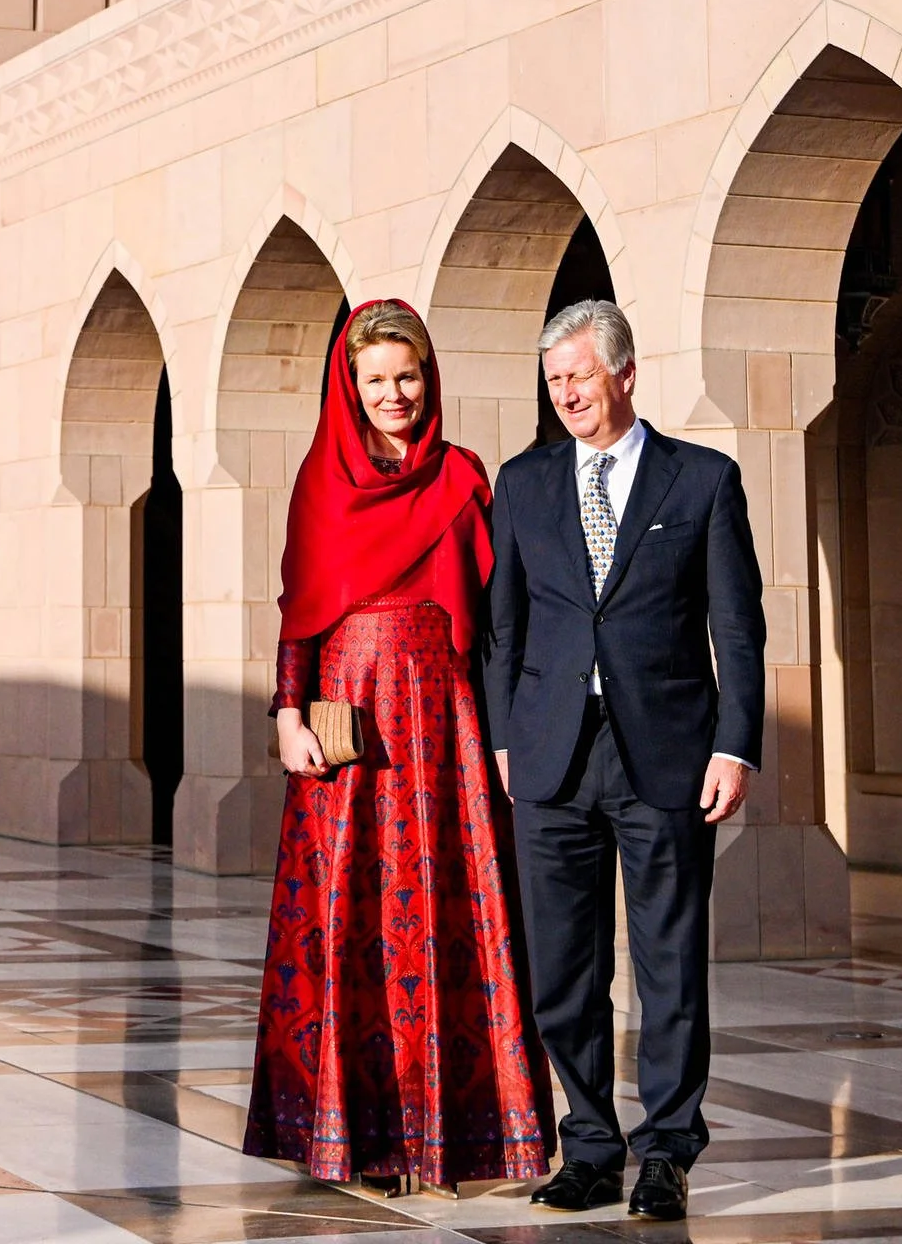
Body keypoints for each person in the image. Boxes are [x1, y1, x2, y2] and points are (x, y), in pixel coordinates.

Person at [245, 299, 553, 1195]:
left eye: (407, 377)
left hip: (445, 720)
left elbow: (495, 619)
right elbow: (300, 604)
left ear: (430, 379)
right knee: (350, 913)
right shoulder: (323, 479)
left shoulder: (461, 475)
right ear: (350, 387)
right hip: (350, 713)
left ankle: (461, 1132)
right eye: (376, 380)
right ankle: (355, 1131)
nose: (395, 394)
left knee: (454, 907)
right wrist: (288, 713)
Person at [486, 298, 766, 1223]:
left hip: (669, 756)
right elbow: (504, 627)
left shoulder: (702, 481)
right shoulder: (522, 483)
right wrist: (501, 739)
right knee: (563, 966)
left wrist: (734, 743)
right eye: (554, 379)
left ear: (626, 375)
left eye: (580, 375)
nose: (567, 393)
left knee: (669, 962)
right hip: (552, 757)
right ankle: (591, 1145)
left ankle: (668, 1152)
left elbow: (738, 626)